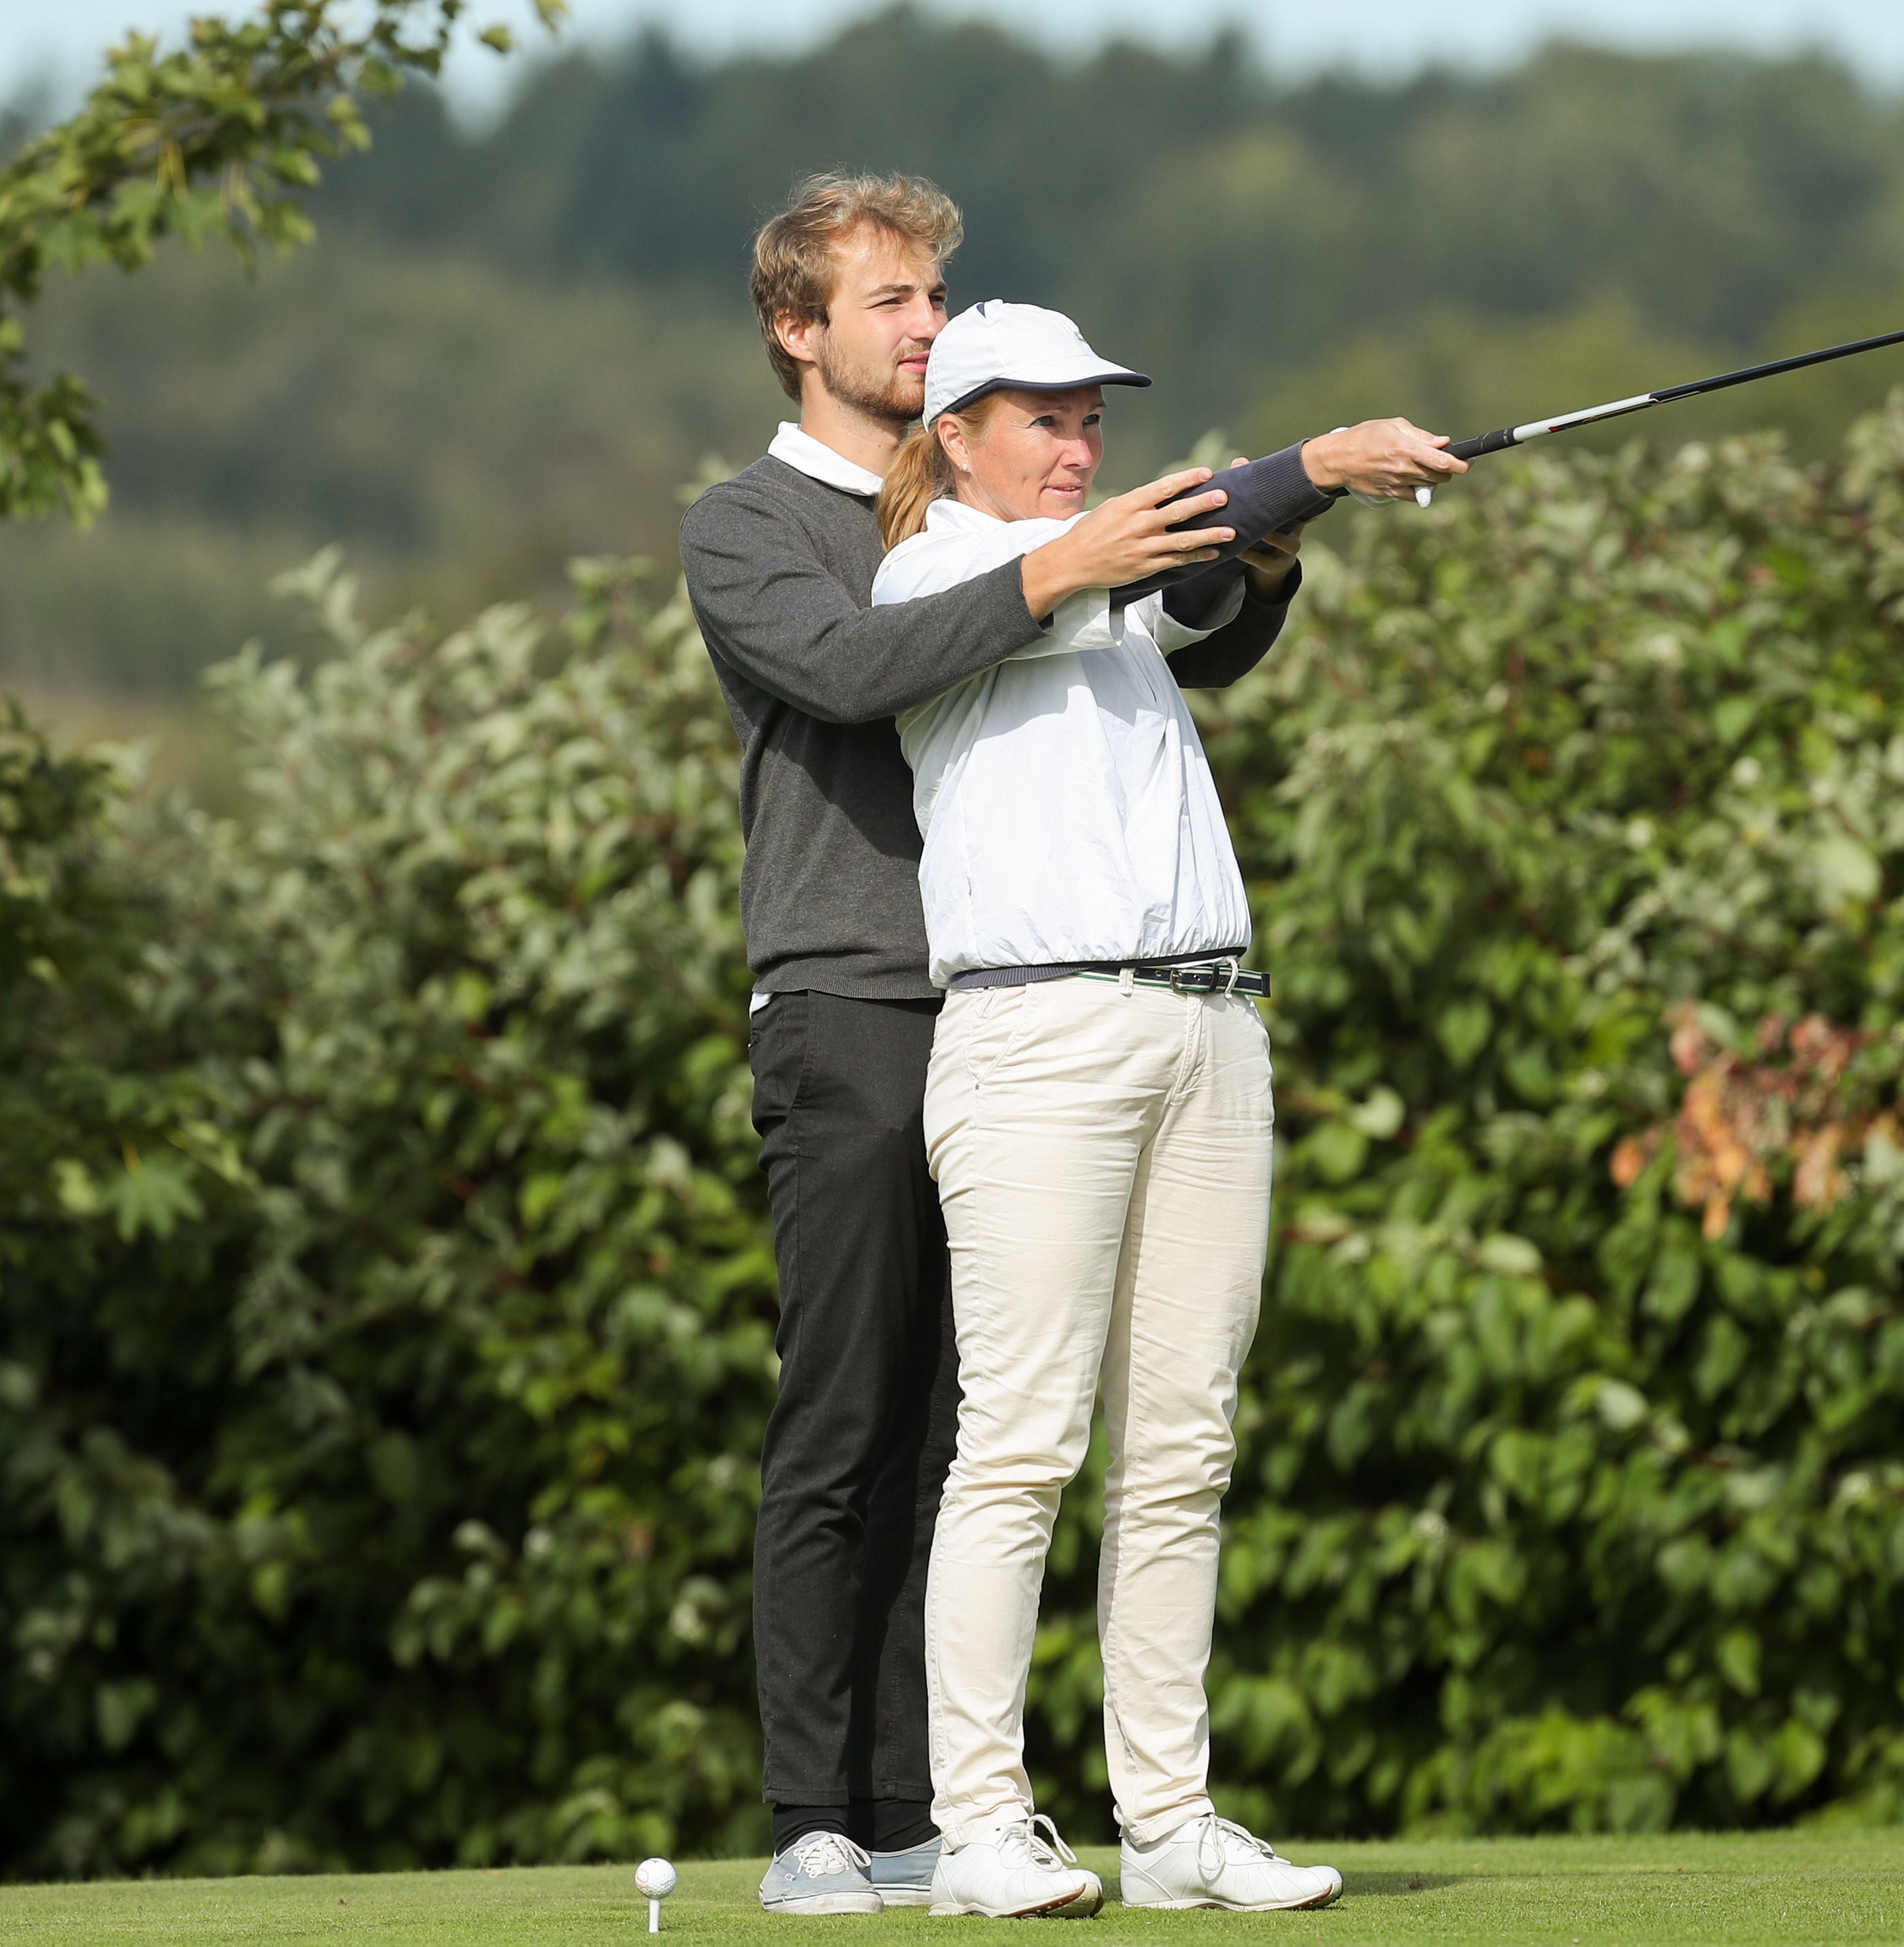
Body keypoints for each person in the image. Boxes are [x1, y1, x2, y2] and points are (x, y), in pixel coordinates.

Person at [680, 177, 1460, 1916]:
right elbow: (865, 663)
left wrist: (1251, 538)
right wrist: (1258, 487)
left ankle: (958, 1805)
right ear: (800, 331)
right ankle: (836, 1805)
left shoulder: (1030, 533)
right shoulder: (781, 531)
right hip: (858, 989)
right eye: (892, 300)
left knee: (1001, 1417)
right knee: (864, 1413)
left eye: (936, 292)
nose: (924, 319)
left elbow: (1190, 622)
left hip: (1070, 999)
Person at [874, 302, 1429, 1918]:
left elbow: (1207, 598)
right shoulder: (941, 578)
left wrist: (1275, 537)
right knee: (1023, 1446)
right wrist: (1311, 461)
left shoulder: (1106, 594)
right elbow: (1129, 554)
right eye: (1039, 417)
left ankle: (1168, 1821)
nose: (1073, 443)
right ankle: (979, 1824)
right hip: (1037, 1034)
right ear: (957, 433)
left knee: (1183, 1449)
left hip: (1208, 1027)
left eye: (1089, 418)